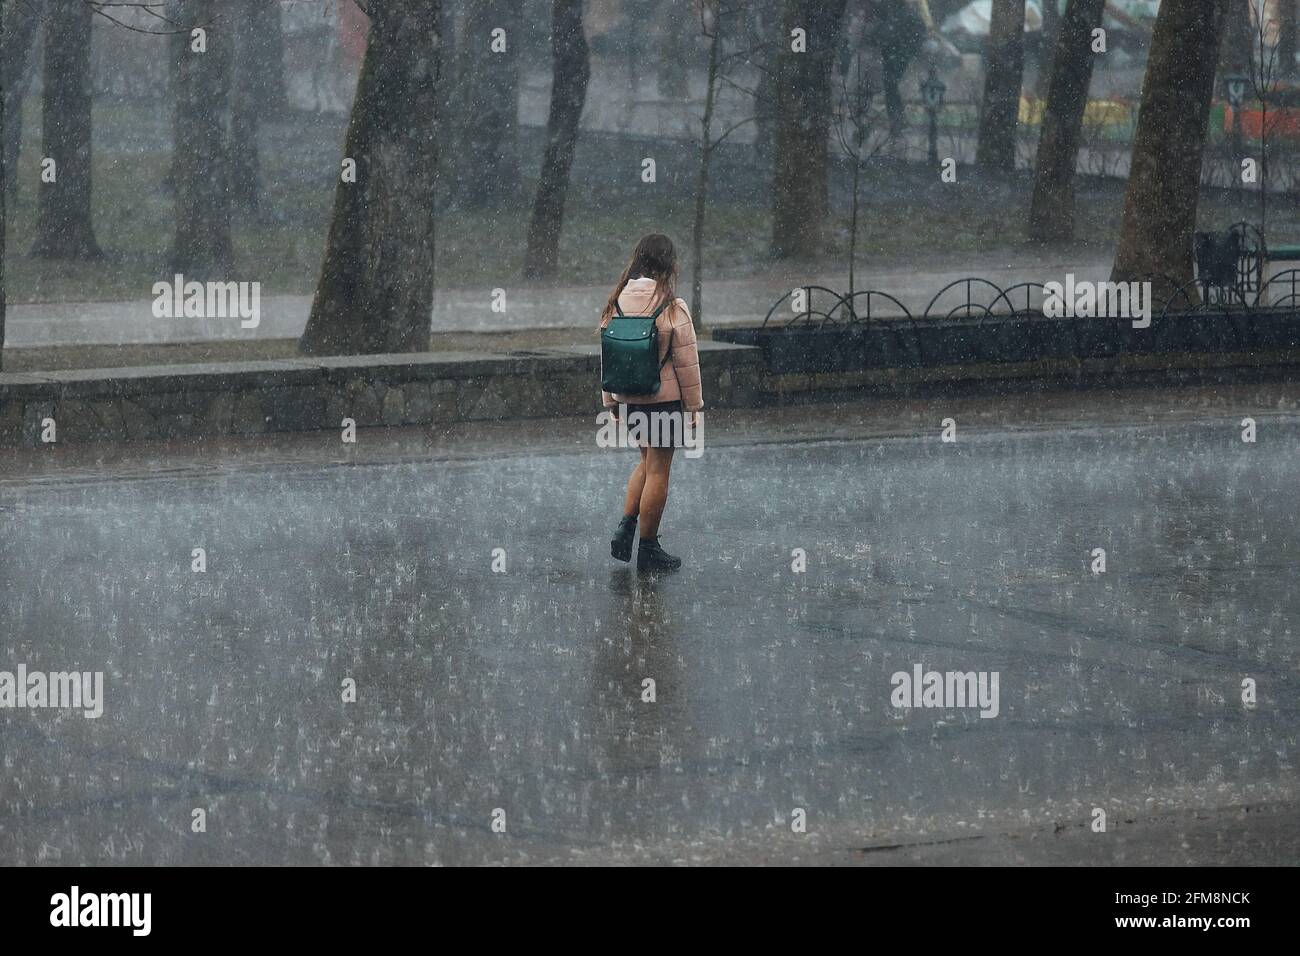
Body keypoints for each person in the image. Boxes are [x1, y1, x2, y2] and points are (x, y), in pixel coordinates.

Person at [600, 234, 702, 573]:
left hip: (627, 398)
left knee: (646, 463)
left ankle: (625, 528)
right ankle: (648, 549)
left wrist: (610, 401)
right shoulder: (672, 305)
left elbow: (608, 355)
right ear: (669, 265)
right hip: (662, 400)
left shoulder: (616, 301)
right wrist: (694, 408)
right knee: (659, 470)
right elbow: (687, 362)